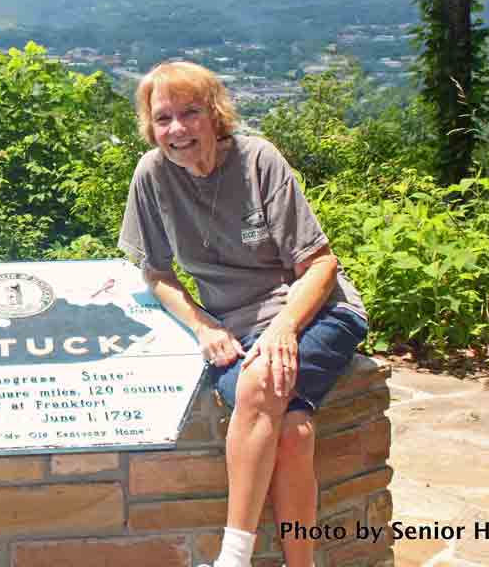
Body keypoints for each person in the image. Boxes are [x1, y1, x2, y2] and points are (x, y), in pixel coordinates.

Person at [118, 62, 367, 567]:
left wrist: (283, 329)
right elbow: (157, 275)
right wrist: (203, 326)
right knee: (292, 432)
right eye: (163, 118)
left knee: (258, 386)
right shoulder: (152, 176)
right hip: (233, 326)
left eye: (189, 113)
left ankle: (233, 556)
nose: (177, 129)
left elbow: (320, 263)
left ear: (214, 114)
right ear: (151, 127)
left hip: (318, 311)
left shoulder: (259, 160)